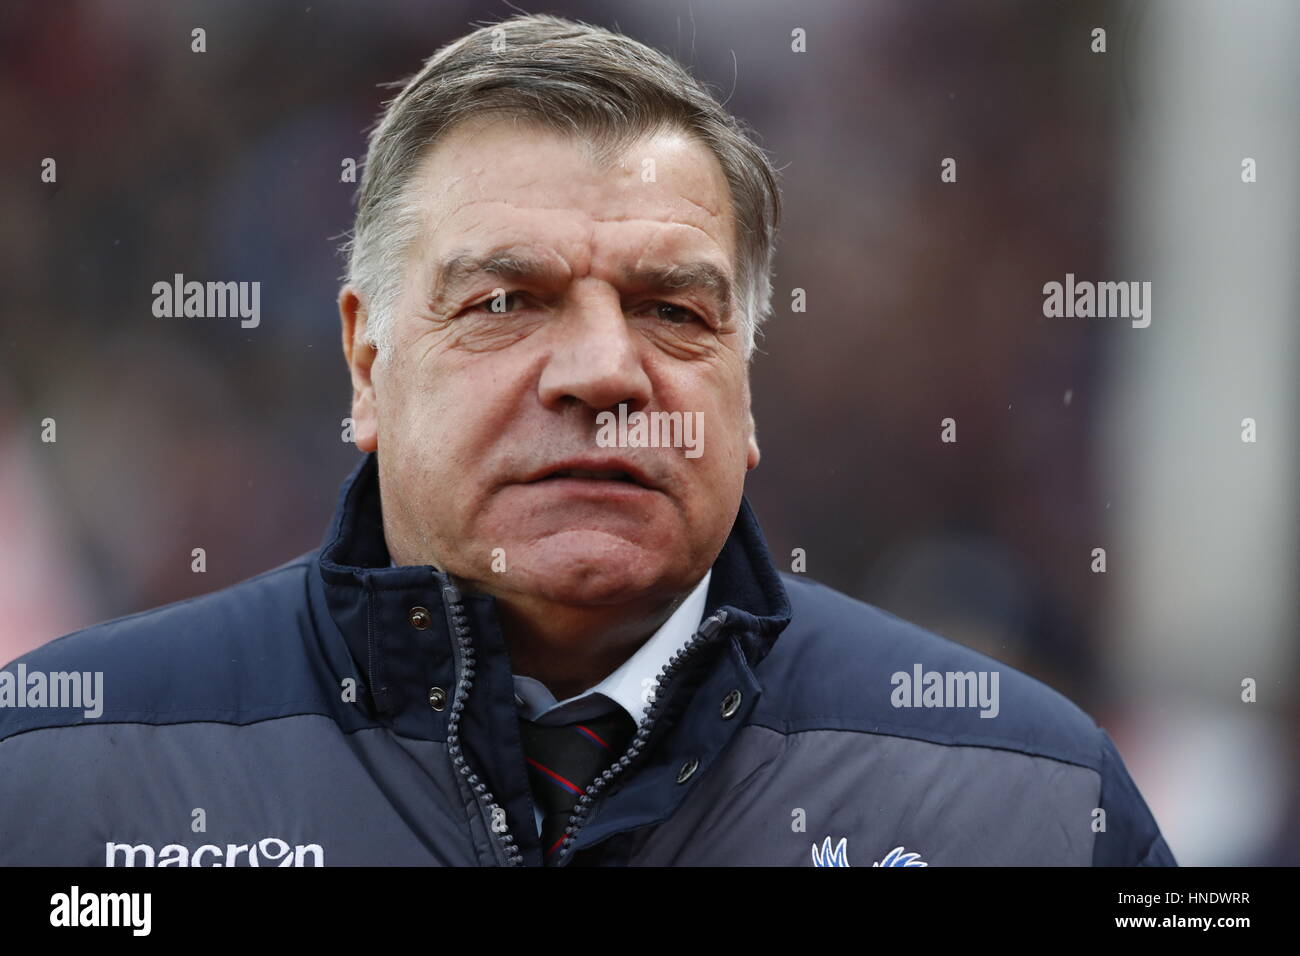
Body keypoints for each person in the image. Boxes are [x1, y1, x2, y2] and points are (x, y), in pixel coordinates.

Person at [0, 13, 1174, 867]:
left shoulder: (1030, 802)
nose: (606, 370)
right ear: (367, 364)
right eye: (505, 301)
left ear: (747, 386)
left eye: (673, 307)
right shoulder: (57, 769)